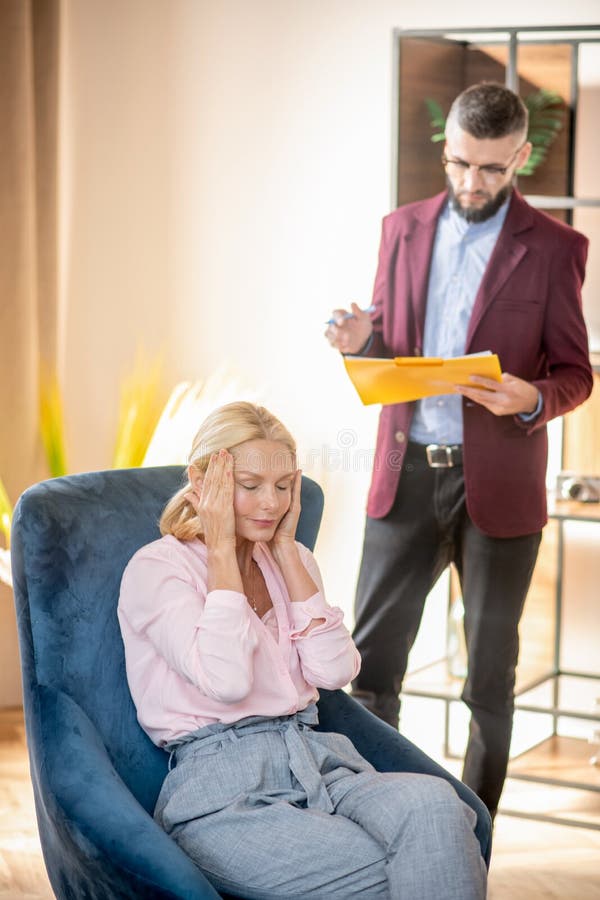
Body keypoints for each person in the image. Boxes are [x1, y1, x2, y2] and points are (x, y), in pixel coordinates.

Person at [325, 82, 593, 820]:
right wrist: (360, 342)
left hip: (500, 493)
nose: (471, 183)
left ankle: (471, 839)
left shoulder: (557, 249)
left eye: (491, 170)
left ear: (521, 158)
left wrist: (532, 398)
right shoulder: (401, 228)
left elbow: (575, 372)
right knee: (371, 672)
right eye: (459, 163)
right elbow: (388, 349)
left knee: (489, 684)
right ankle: (376, 822)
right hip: (404, 479)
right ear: (446, 147)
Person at [118, 401, 488, 899]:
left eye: (283, 486)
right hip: (224, 794)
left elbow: (335, 670)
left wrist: (289, 554)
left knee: (440, 810)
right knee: (412, 863)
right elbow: (227, 682)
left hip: (321, 761)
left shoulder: (290, 560)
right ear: (202, 482)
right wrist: (223, 552)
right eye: (249, 486)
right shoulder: (159, 568)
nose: (270, 503)